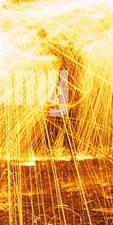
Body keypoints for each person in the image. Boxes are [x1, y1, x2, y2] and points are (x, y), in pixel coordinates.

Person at [38, 29, 82, 157]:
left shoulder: (73, 56)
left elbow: (57, 50)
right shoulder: (73, 56)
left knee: (64, 120)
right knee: (61, 120)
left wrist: (45, 39)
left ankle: (66, 149)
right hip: (65, 90)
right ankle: (65, 149)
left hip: (67, 92)